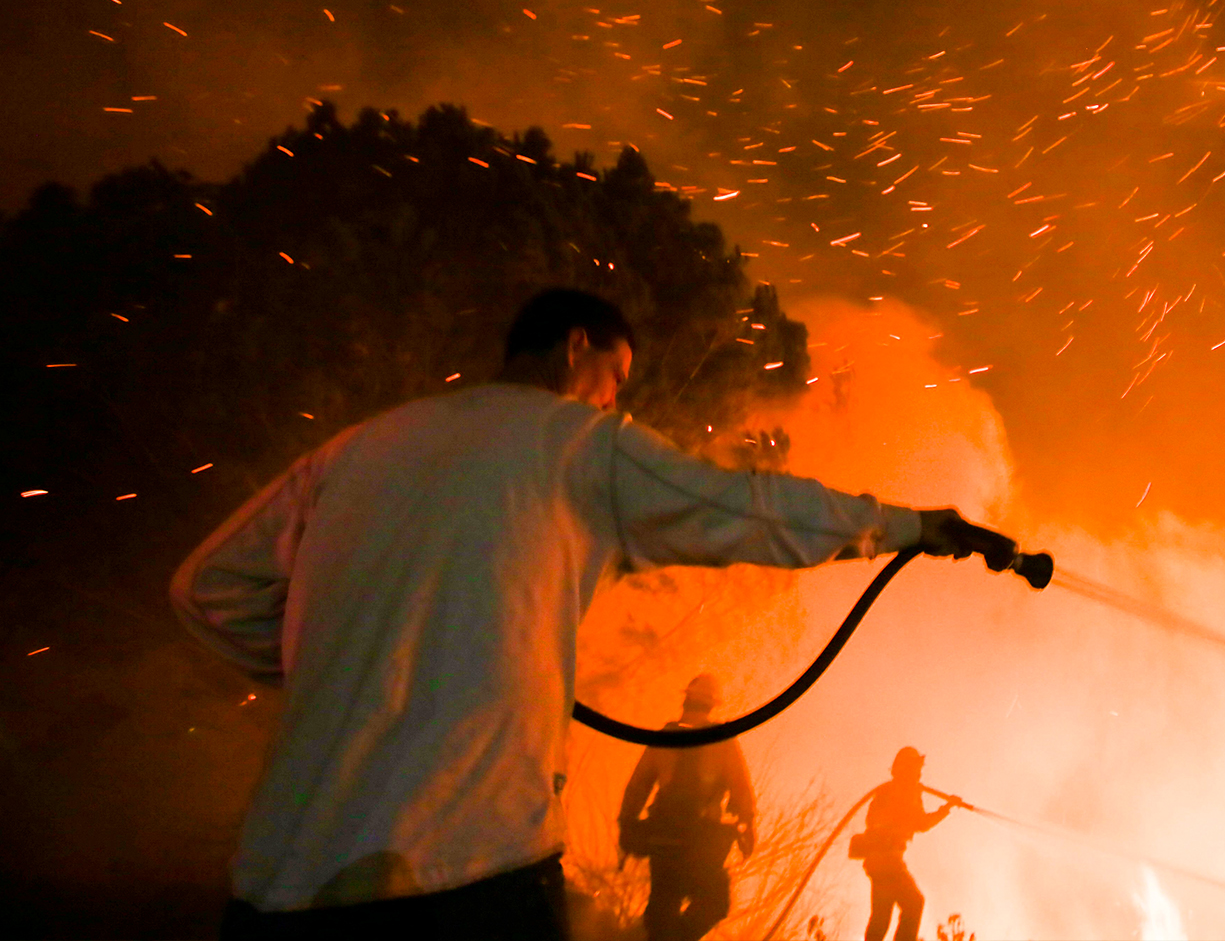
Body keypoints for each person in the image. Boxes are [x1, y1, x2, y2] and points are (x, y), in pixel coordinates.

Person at [172, 288, 988, 939]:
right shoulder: (577, 442)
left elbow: (205, 590)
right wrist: (913, 526)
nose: (614, 399)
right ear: (575, 351)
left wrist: (334, 672)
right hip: (466, 874)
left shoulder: (356, 449)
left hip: (279, 887)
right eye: (616, 377)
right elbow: (747, 509)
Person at [619, 674, 754, 941]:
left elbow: (638, 786)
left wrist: (626, 824)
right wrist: (747, 826)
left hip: (662, 837)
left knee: (662, 905)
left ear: (686, 699)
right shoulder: (722, 741)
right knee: (714, 903)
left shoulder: (665, 738)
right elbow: (741, 789)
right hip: (703, 842)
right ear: (713, 705)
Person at [857, 748, 954, 941]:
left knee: (881, 918)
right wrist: (947, 808)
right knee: (914, 903)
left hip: (877, 862)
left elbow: (873, 820)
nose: (919, 773)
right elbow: (922, 823)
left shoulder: (887, 791)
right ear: (907, 768)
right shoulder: (905, 790)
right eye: (917, 768)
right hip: (889, 861)